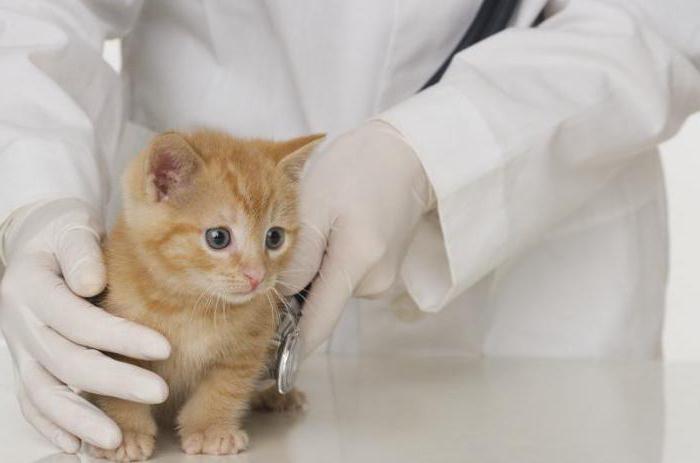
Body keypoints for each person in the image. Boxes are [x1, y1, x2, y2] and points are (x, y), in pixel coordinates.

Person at [0, 0, 698, 454]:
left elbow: (664, 21)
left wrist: (435, 151)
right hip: (201, 205)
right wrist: (35, 195)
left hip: (534, 274)